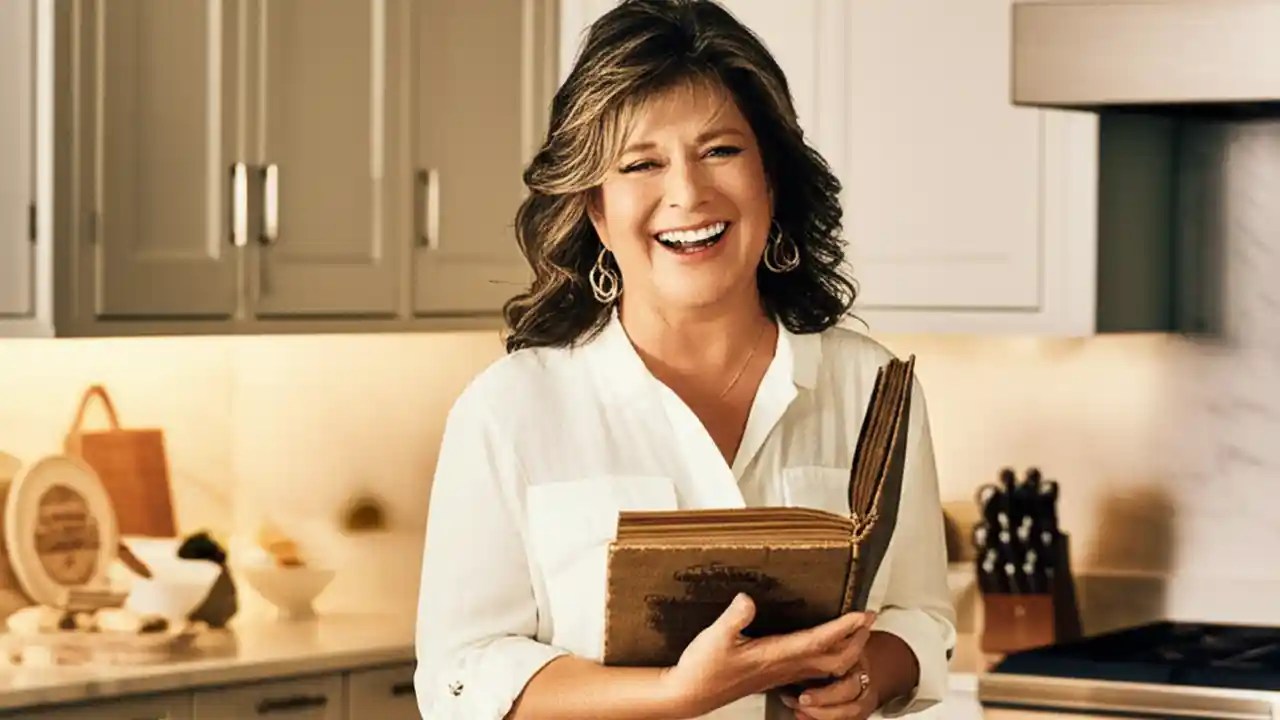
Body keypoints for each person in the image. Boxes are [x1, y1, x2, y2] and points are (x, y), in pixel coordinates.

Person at [413, 1, 956, 718]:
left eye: (721, 151)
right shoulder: (508, 409)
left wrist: (864, 682)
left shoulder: (871, 388)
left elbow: (920, 618)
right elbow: (460, 677)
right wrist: (673, 695)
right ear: (597, 210)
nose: (688, 194)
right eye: (641, 163)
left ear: (772, 181)